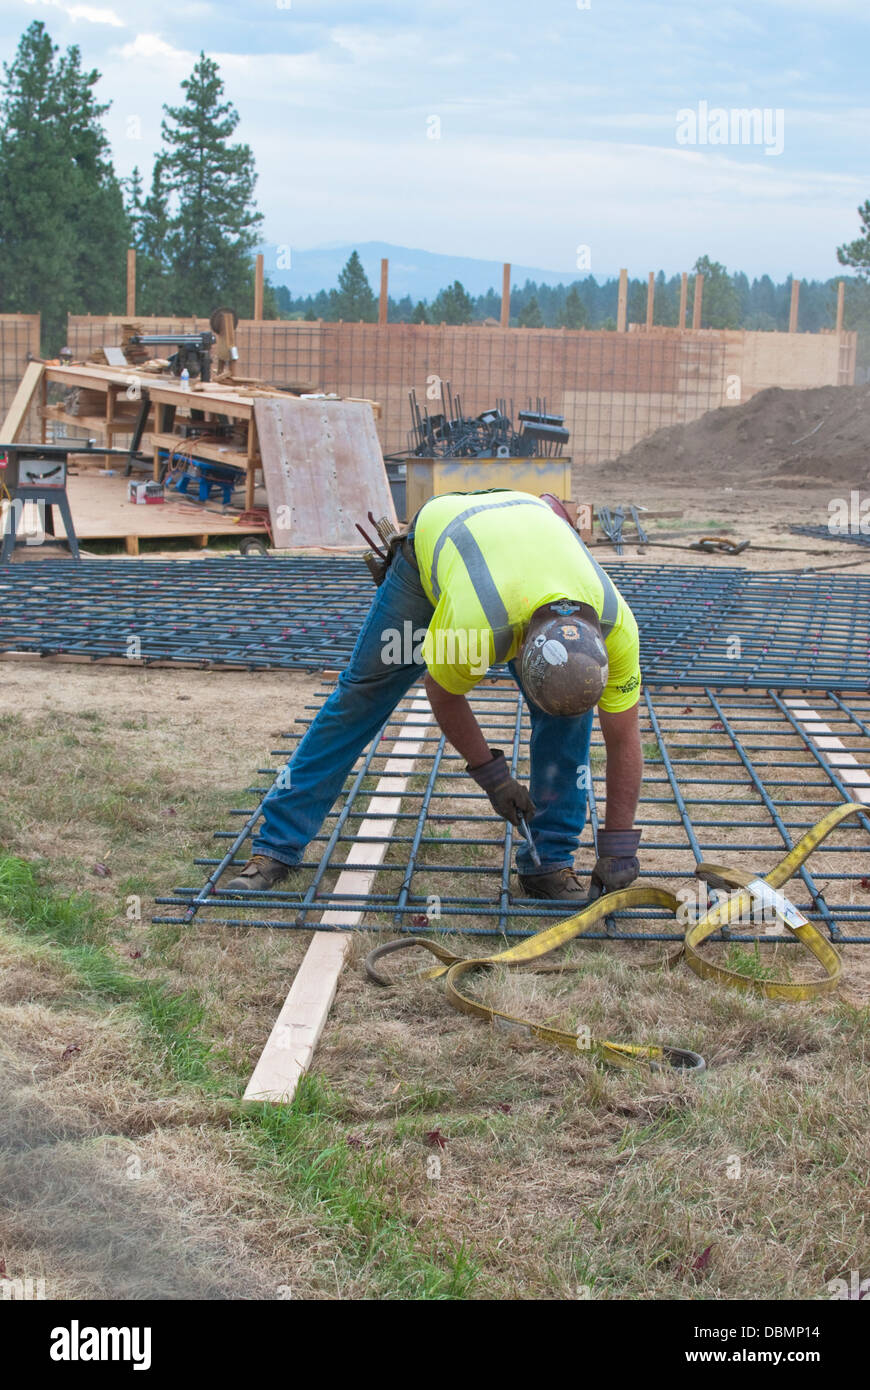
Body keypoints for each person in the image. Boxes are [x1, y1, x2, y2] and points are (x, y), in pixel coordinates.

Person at [225, 489, 643, 902]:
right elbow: (443, 695)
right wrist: (493, 778)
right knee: (362, 697)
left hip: (523, 531)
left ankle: (548, 863)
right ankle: (276, 847)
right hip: (435, 549)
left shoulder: (616, 631)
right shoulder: (475, 626)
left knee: (567, 716)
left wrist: (620, 843)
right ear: (517, 648)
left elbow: (624, 739)